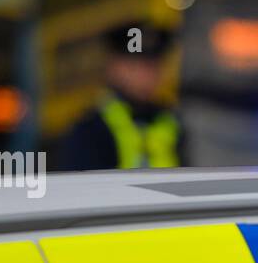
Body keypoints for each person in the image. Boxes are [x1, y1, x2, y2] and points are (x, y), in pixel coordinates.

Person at [57, 22, 186, 171]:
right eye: (135, 67)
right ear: (114, 67)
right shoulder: (91, 130)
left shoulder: (174, 123)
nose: (147, 75)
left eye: (153, 66)